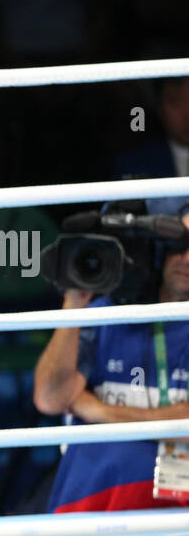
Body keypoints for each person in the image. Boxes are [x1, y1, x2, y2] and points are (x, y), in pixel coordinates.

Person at [34, 209, 189, 512]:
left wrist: (102, 412)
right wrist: (75, 301)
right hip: (95, 501)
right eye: (180, 244)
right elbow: (50, 399)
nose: (186, 258)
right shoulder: (102, 313)